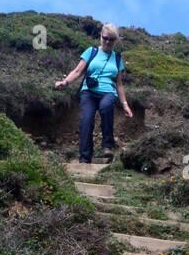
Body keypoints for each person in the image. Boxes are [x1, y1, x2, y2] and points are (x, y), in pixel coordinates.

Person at [54, 23, 133, 163]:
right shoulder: (92, 51)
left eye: (111, 39)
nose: (108, 42)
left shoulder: (117, 58)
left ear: (116, 41)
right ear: (100, 36)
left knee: (106, 107)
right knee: (86, 120)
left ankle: (107, 146)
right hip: (89, 92)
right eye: (105, 38)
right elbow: (78, 71)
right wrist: (65, 82)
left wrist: (125, 104)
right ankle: (85, 158)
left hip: (108, 92)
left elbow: (119, 84)